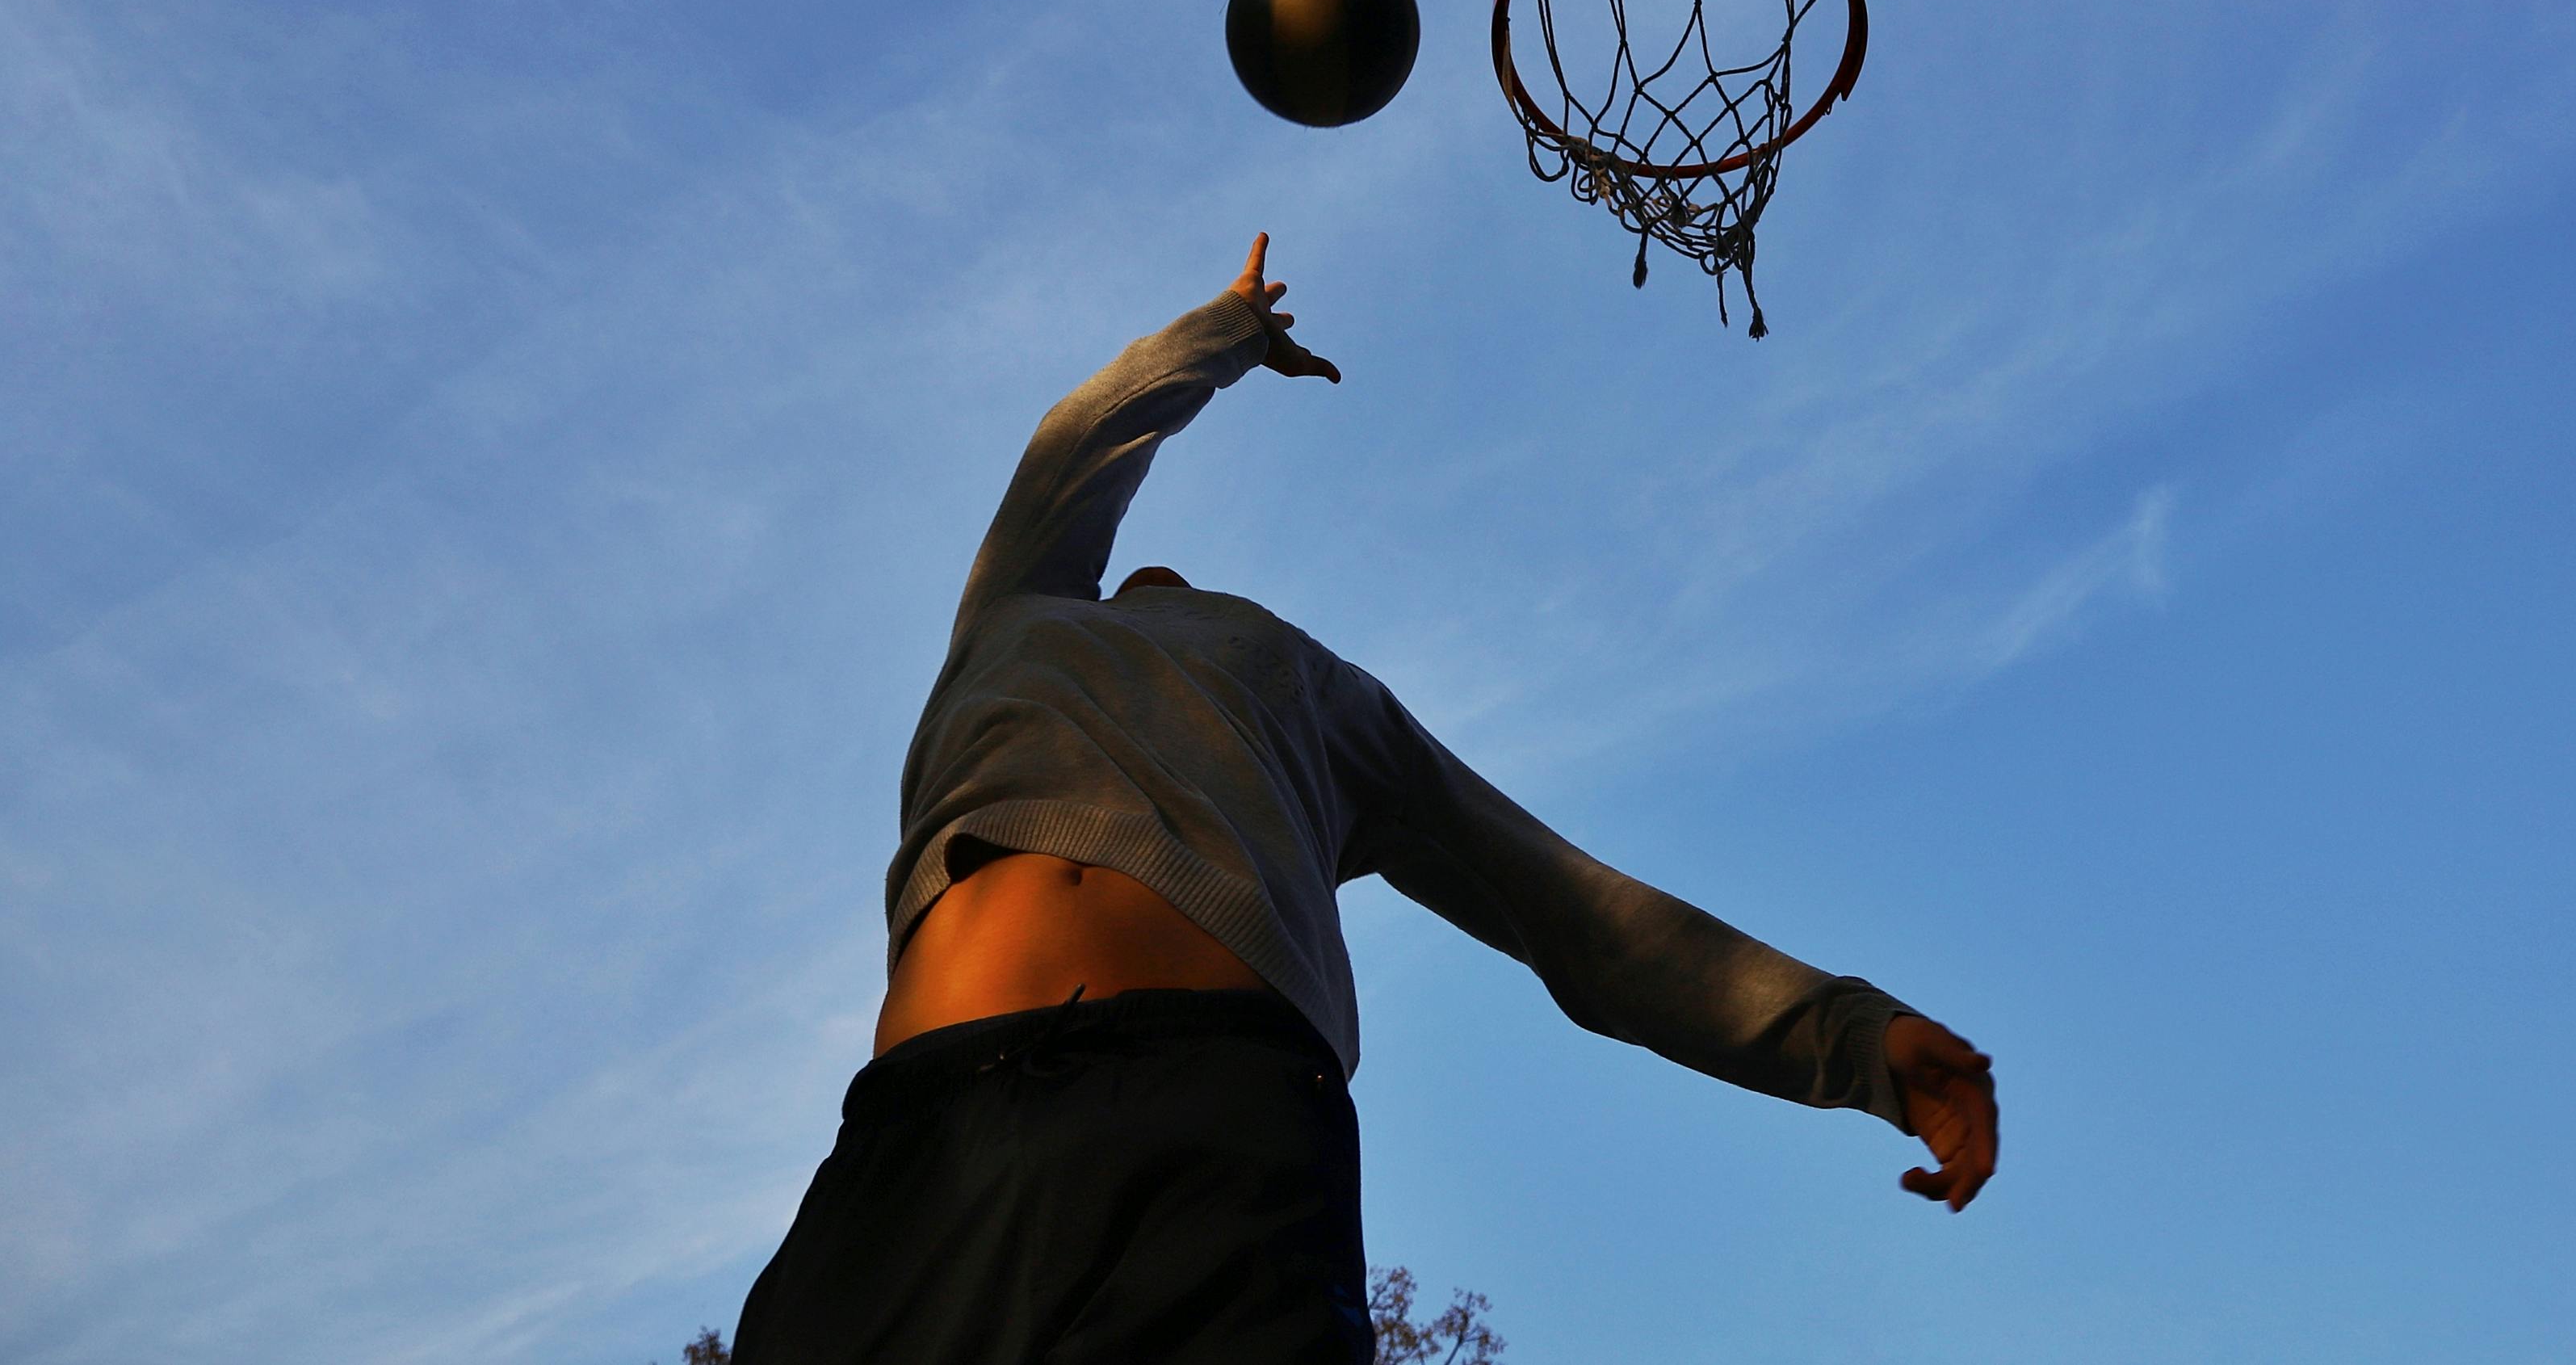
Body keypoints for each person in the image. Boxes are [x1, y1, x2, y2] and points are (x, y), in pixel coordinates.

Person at [735, 236, 1998, 1364]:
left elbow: (1568, 910)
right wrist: (1223, 334)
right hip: (924, 1133)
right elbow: (1082, 444)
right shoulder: (1017, 617)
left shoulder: (1315, 691)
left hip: (1213, 1128)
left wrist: (1852, 1037)